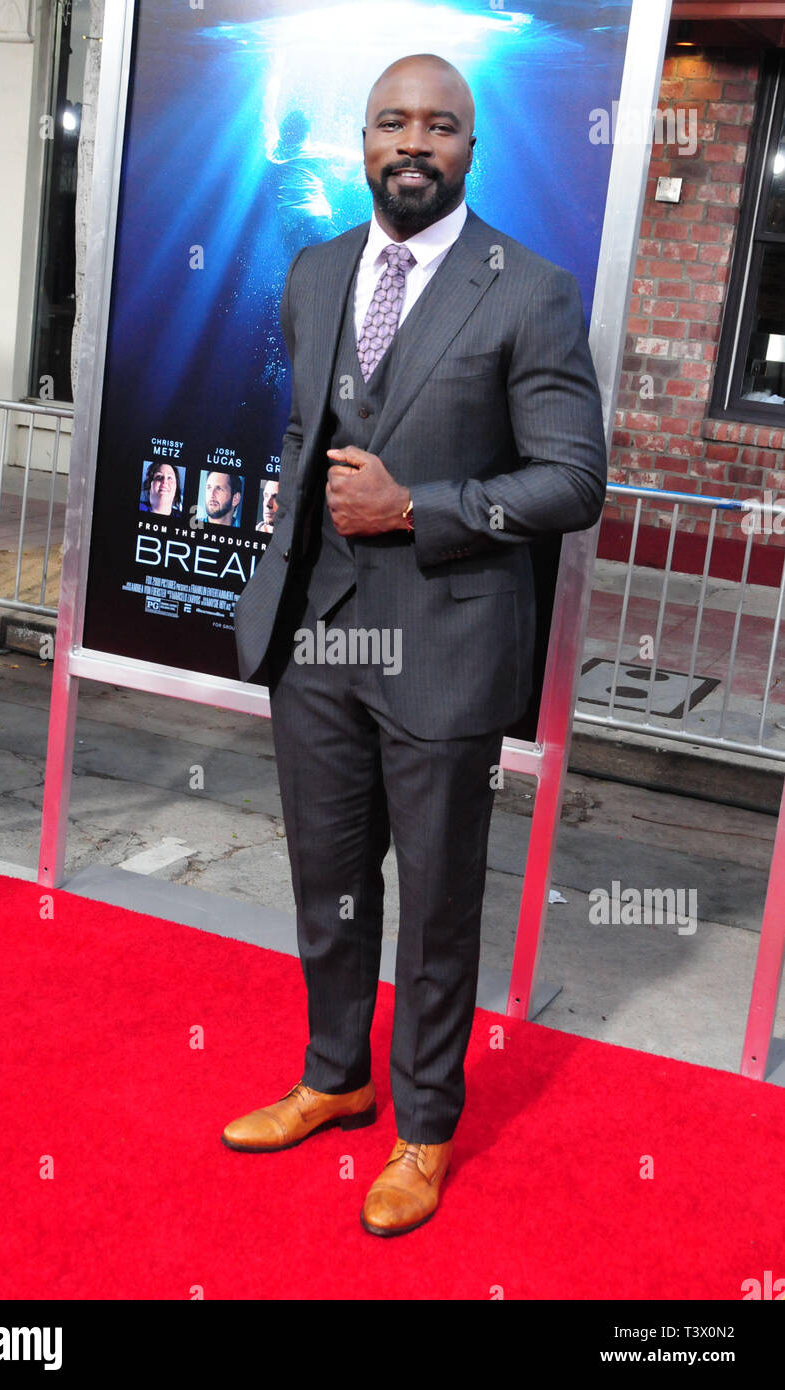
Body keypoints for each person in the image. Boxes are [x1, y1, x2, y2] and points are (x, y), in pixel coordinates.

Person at [224, 53, 608, 1237]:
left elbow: (572, 480)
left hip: (444, 644)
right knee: (327, 887)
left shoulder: (529, 289)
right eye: (393, 120)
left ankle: (425, 1127)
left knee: (437, 903)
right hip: (319, 639)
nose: (414, 141)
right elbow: (304, 434)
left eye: (439, 126)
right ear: (363, 140)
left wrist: (417, 509)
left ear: (470, 149)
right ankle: (335, 1074)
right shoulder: (319, 268)